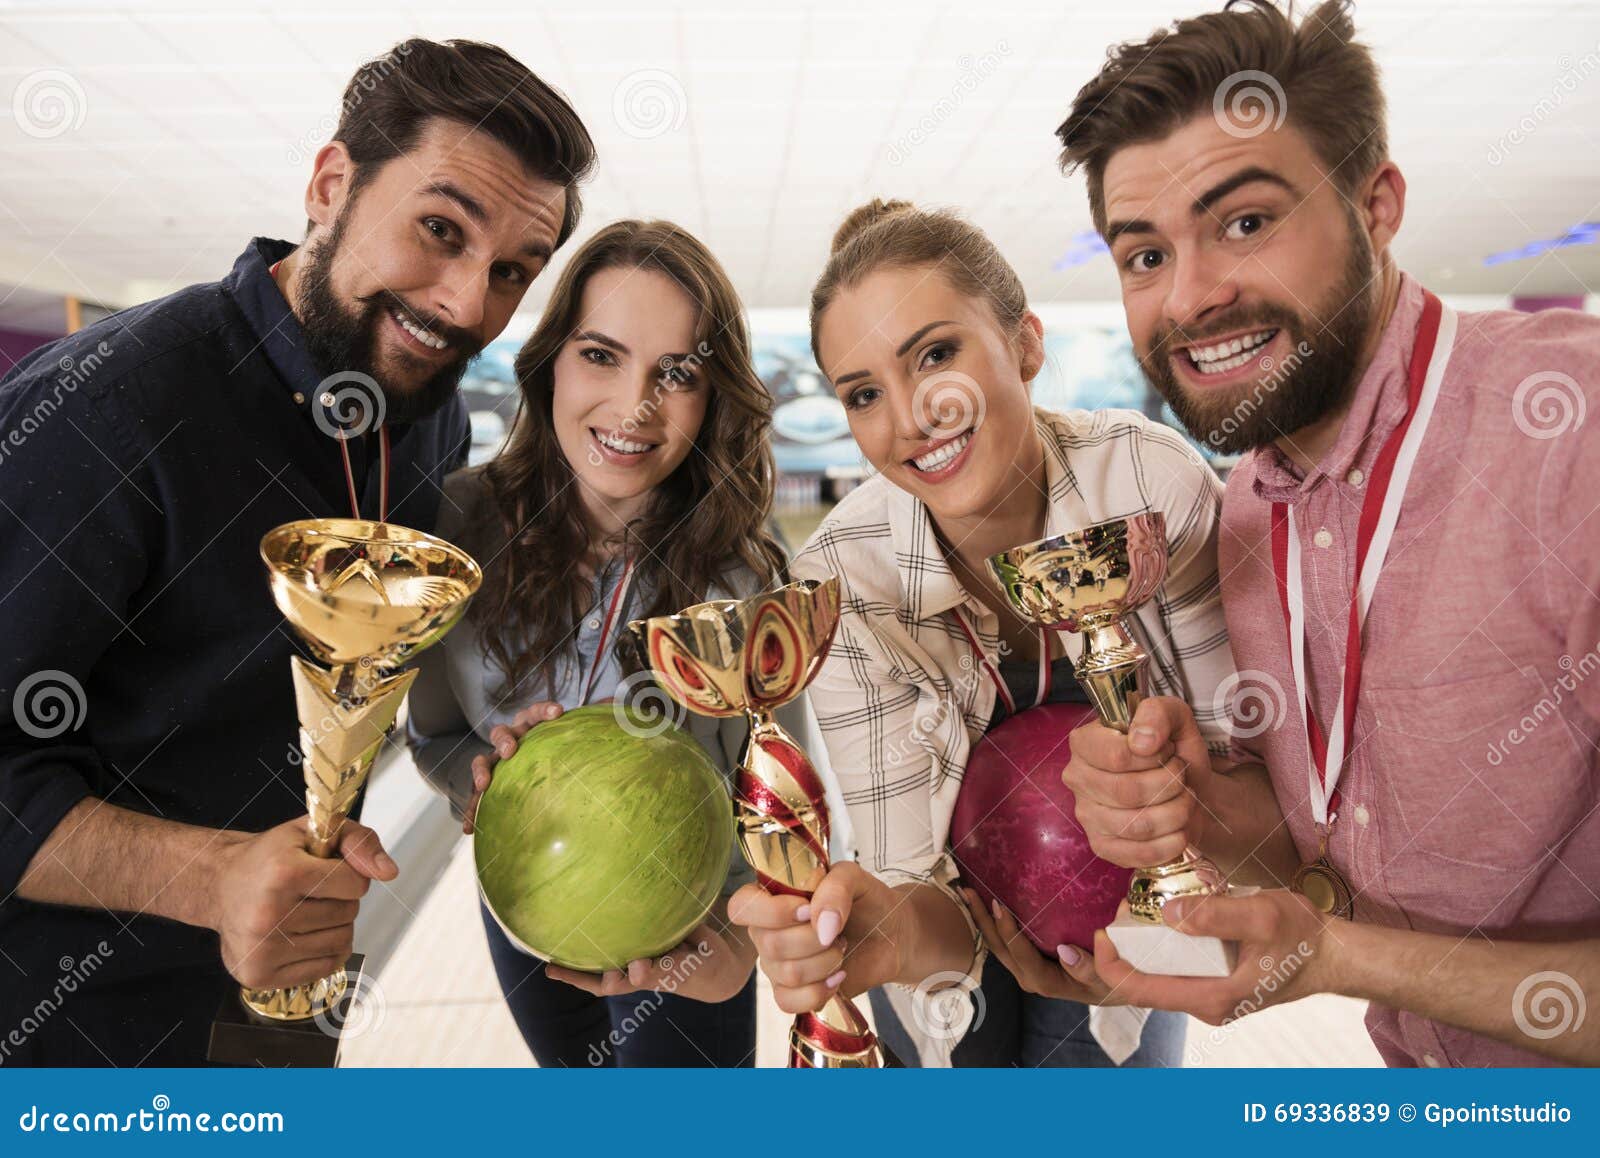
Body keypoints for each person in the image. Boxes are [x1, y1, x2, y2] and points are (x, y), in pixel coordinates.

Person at [0, 38, 596, 1066]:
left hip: (278, 1020)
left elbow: (341, 688)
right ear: (331, 186)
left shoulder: (426, 420)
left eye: (510, 273)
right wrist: (213, 878)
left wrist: (479, 758)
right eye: (439, 230)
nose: (466, 305)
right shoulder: (111, 408)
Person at [1055, 0, 1600, 1065]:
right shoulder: (1252, 513)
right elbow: (1348, 871)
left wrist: (1338, 958)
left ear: (1376, 203)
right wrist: (1217, 819)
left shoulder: (1569, 436)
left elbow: (1342, 941)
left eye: (1246, 222)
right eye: (1143, 257)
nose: (1193, 297)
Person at [730, 197, 1266, 1067]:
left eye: (937, 354)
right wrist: (889, 939)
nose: (909, 417)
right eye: (863, 393)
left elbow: (1242, 778)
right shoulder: (841, 577)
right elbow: (910, 879)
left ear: (1025, 343)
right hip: (950, 899)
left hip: (1156, 895)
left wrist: (1162, 945)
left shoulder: (1146, 482)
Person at [406, 219, 804, 1068]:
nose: (635, 407)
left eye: (678, 374)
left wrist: (738, 950)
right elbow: (434, 734)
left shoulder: (750, 576)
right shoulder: (460, 526)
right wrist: (476, 775)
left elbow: (781, 797)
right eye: (600, 355)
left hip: (689, 921)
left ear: (714, 394)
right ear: (551, 359)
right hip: (526, 888)